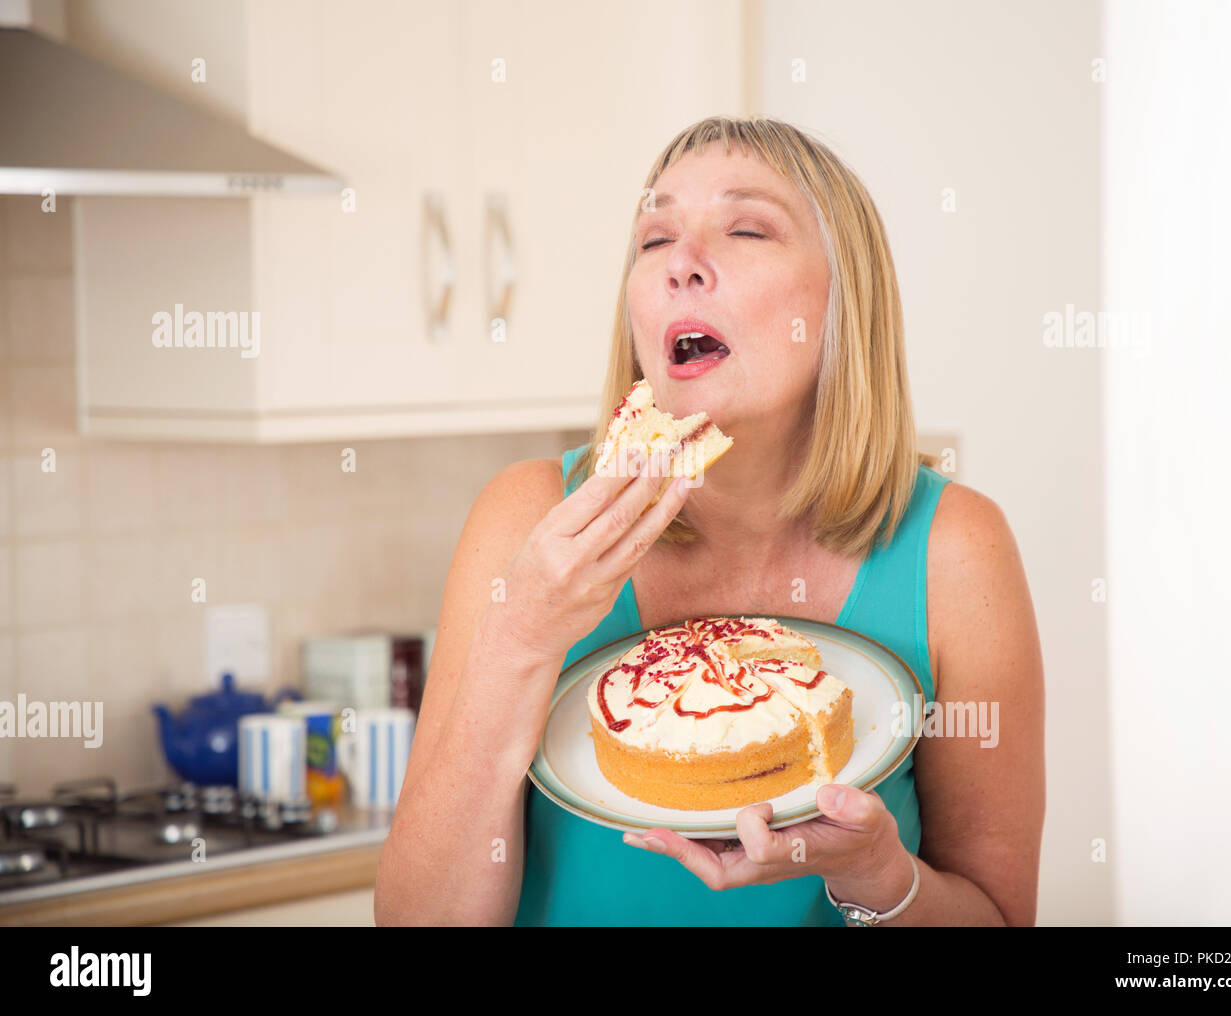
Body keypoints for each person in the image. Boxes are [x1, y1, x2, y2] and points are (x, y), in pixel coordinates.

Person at [374, 116, 1045, 926]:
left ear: (843, 298)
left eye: (745, 228)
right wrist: (518, 639)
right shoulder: (525, 520)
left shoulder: (954, 551)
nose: (680, 266)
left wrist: (876, 873)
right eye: (654, 239)